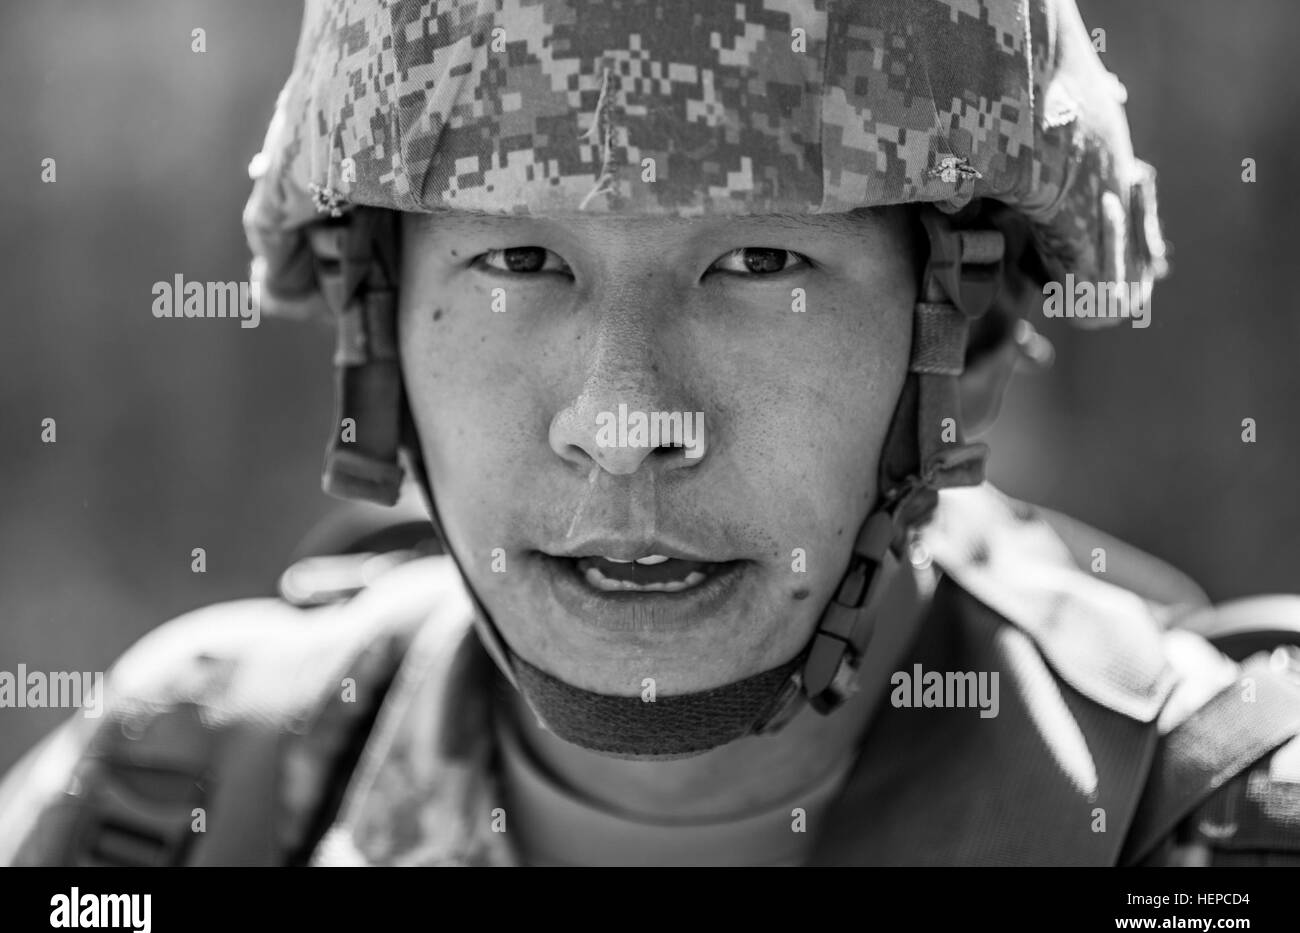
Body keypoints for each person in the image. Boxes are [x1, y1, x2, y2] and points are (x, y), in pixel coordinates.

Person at [2, 0, 1298, 867]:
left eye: (758, 261)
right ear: (378, 326)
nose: (624, 425)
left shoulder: (1219, 830)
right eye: (520, 256)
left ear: (966, 339)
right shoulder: (168, 800)